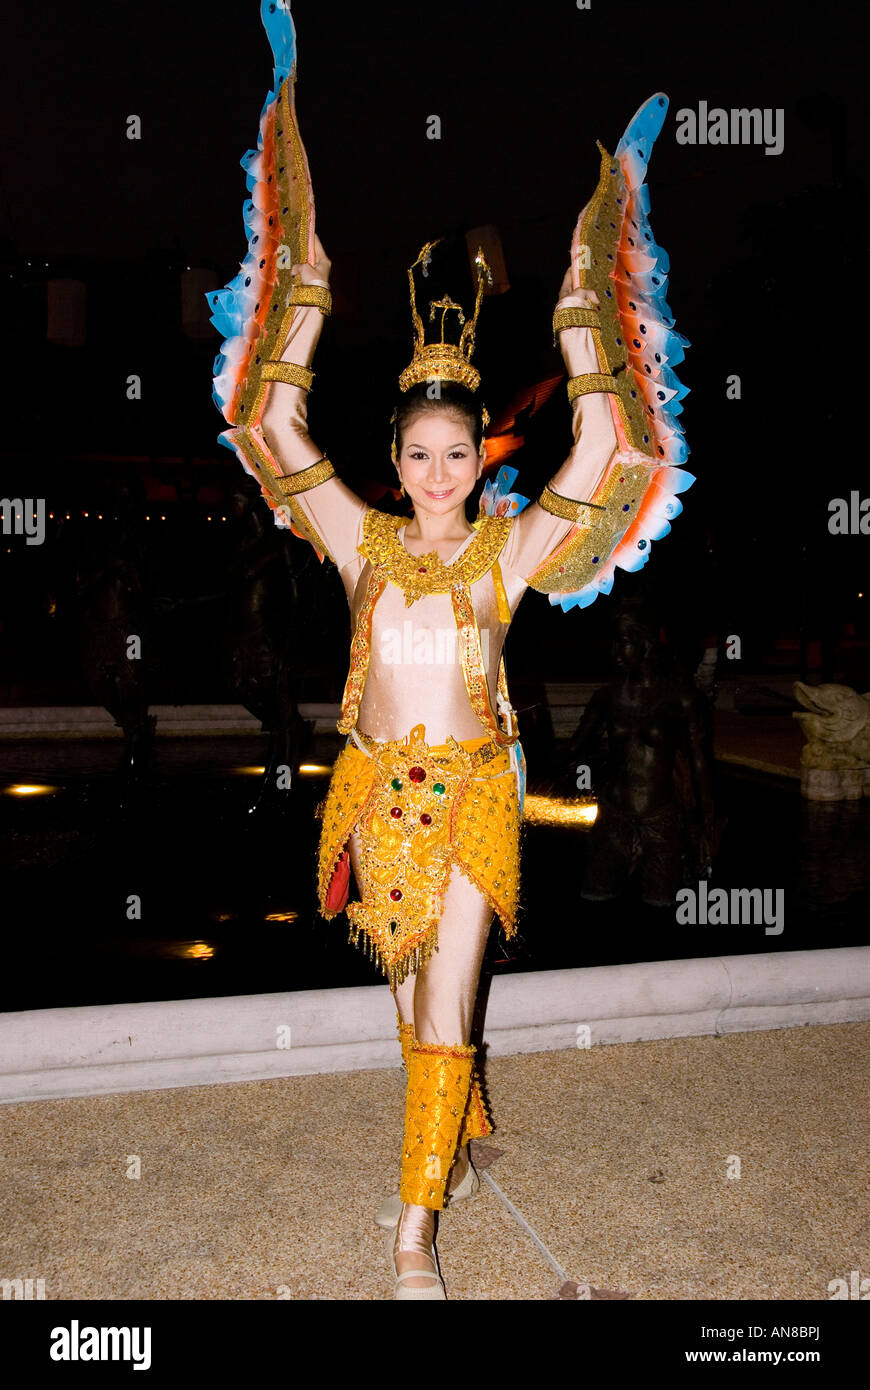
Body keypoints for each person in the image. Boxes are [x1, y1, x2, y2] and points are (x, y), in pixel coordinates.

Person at [255, 230, 624, 1297]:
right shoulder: (354, 539)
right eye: (418, 454)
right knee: (412, 992)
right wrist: (312, 285)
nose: (435, 473)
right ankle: (452, 1153)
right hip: (373, 797)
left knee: (449, 1002)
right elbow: (276, 422)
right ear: (396, 454)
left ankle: (416, 1230)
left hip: (469, 802)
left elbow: (598, 445)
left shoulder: (506, 551)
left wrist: (578, 306)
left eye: (455, 454)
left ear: (479, 458)